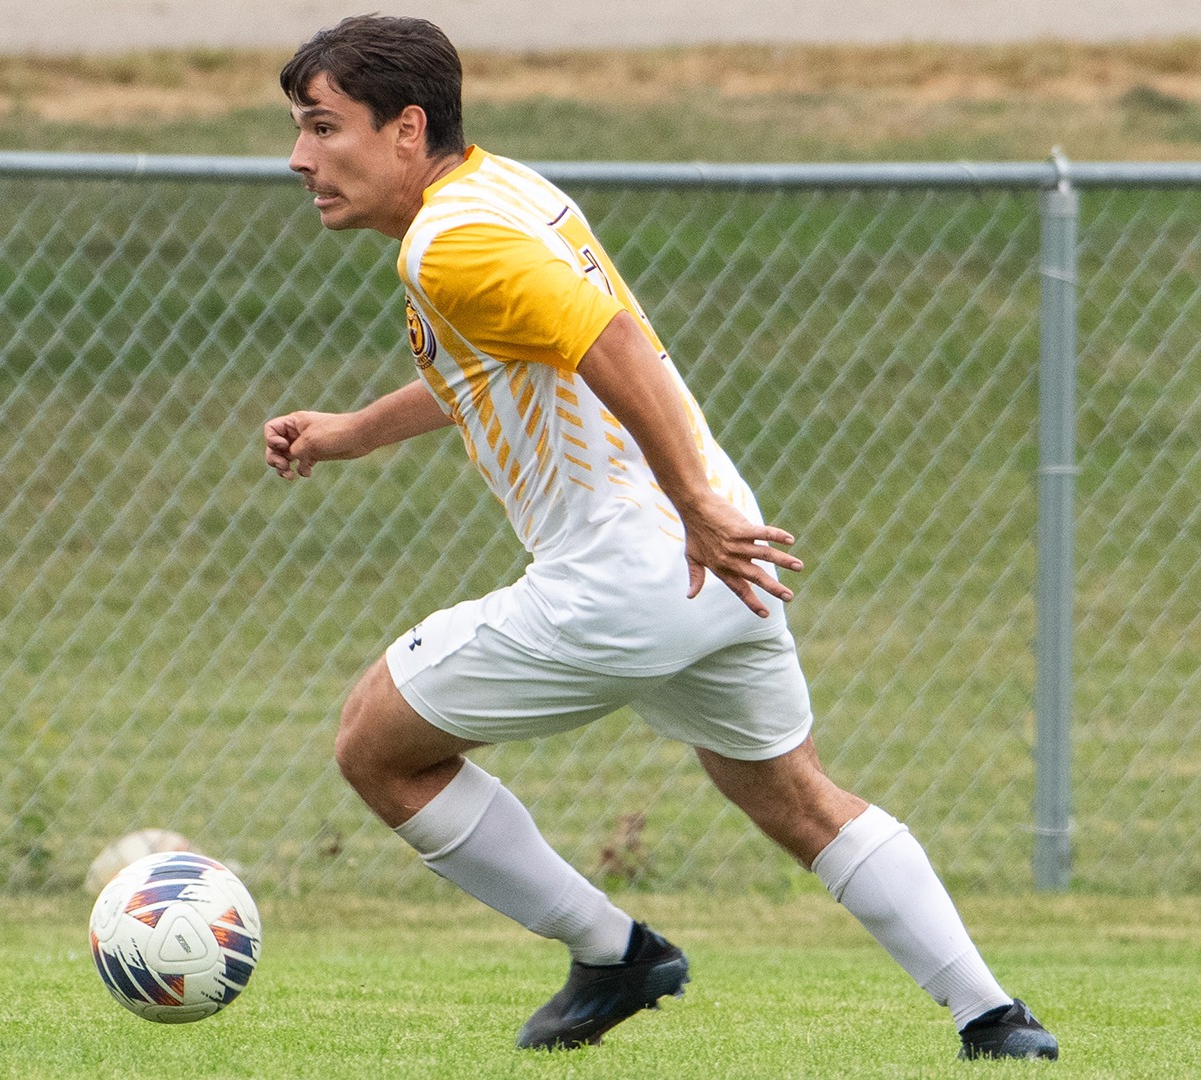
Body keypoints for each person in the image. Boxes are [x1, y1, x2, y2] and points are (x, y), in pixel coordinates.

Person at [263, 14, 1058, 1061]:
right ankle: (996, 1018)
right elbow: (509, 361)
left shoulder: (450, 243)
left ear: (407, 129)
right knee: (796, 798)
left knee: (376, 745)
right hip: (721, 565)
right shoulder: (505, 189)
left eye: (325, 128)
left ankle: (613, 951)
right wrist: (356, 431)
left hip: (640, 567)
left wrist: (690, 507)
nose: (300, 157)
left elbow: (614, 343)